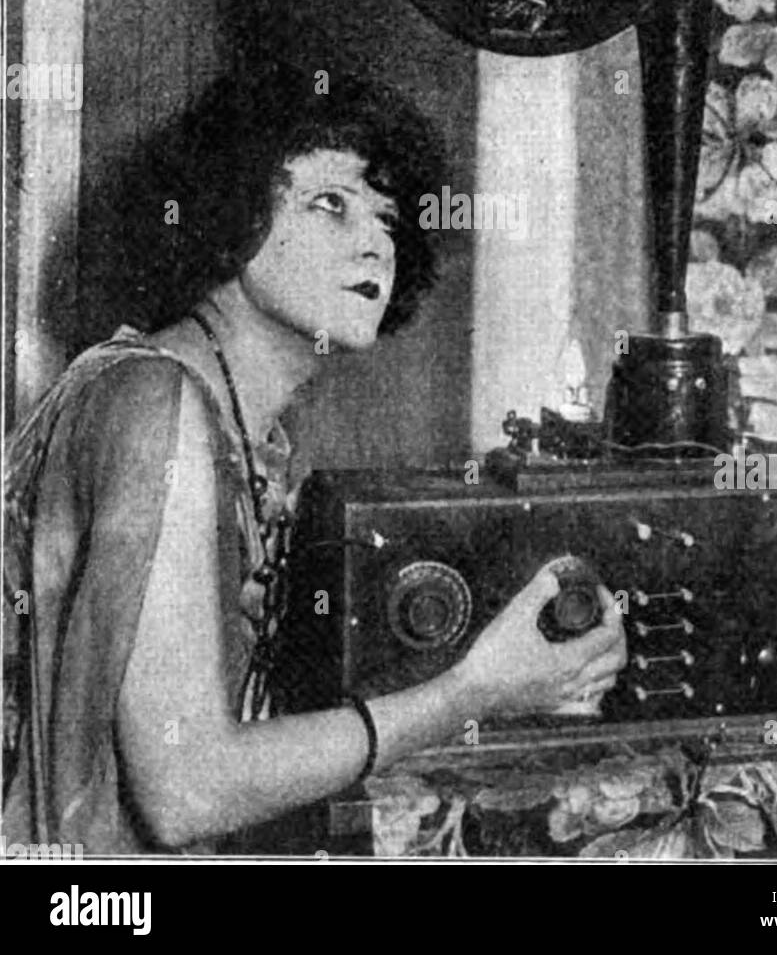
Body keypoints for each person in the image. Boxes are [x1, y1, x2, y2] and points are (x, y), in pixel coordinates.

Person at [3, 61, 626, 855]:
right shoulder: (156, 404)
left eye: (388, 220)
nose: (375, 243)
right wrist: (475, 690)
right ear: (230, 211)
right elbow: (188, 789)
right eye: (329, 205)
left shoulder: (231, 421)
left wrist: (527, 675)